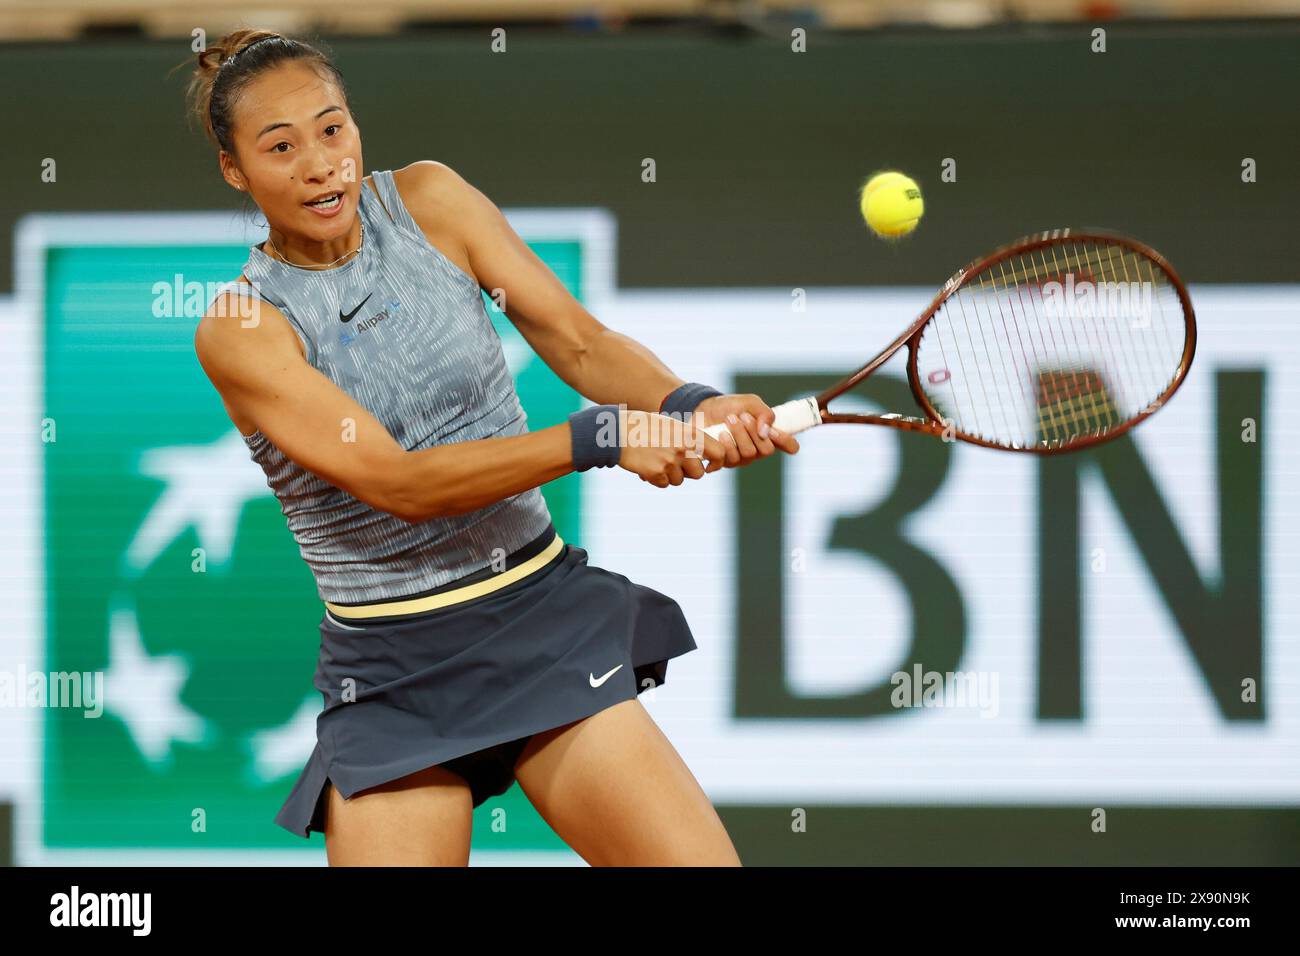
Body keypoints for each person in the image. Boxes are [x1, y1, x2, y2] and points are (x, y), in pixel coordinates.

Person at [184, 29, 800, 866]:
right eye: (281, 147)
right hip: (393, 673)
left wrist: (690, 402)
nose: (321, 165)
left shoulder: (431, 202)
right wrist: (601, 437)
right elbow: (397, 484)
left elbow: (579, 342)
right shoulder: (241, 328)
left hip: (539, 620)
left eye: (332, 130)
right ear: (235, 170)